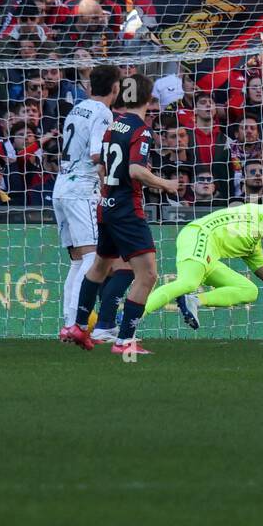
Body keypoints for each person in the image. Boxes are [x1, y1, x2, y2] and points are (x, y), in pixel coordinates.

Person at [59, 75, 179, 356]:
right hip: (127, 209)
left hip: (106, 204)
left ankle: (77, 325)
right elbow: (136, 170)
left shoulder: (113, 125)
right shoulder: (142, 130)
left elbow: (101, 165)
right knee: (148, 275)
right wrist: (166, 184)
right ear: (150, 100)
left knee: (99, 267)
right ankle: (125, 340)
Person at [143, 202, 263, 331]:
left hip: (208, 253)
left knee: (249, 290)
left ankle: (195, 301)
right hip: (200, 236)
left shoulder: (253, 247)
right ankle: (133, 315)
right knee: (187, 283)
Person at [52, 65, 118, 339]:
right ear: (116, 88)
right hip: (81, 189)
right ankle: (76, 324)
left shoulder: (77, 108)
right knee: (92, 257)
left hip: (61, 187)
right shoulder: (103, 113)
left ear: (91, 87)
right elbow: (95, 155)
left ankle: (70, 322)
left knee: (78, 261)